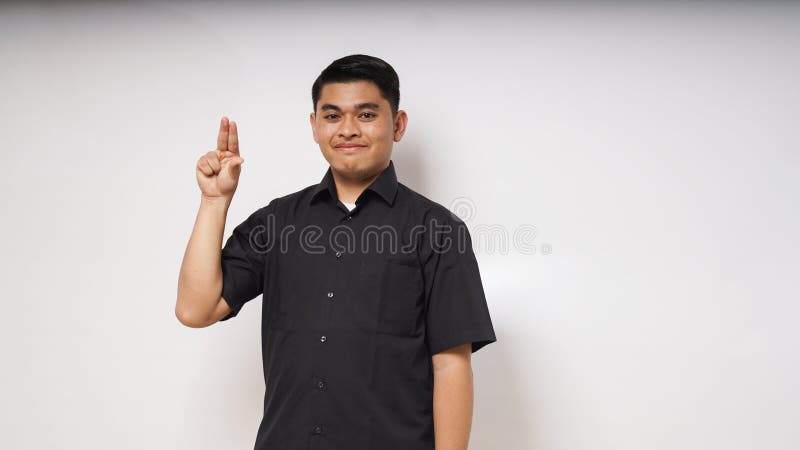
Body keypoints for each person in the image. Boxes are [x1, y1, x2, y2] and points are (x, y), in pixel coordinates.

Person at [176, 54, 497, 450]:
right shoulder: (278, 222)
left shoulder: (438, 230)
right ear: (314, 126)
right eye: (332, 116)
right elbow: (196, 309)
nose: (347, 130)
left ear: (397, 125)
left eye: (366, 115)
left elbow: (451, 364)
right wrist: (214, 201)